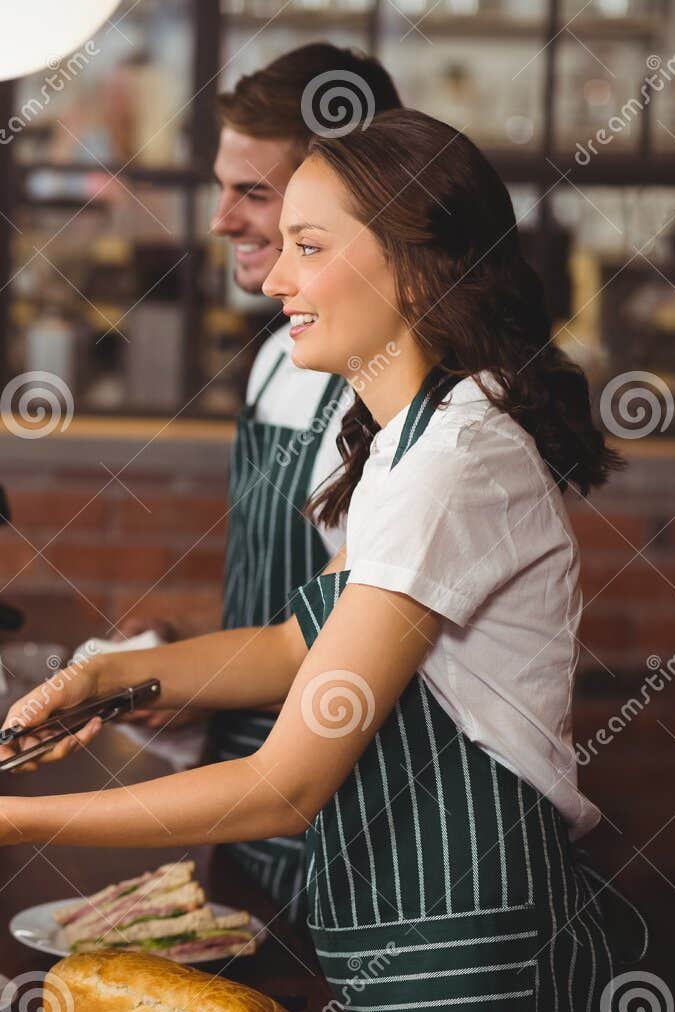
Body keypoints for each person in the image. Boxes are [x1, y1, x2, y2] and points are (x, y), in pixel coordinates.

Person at [0, 110, 643, 1012]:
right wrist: (111, 680)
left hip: (478, 970)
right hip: (408, 942)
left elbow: (284, 784)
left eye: (308, 246)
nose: (278, 278)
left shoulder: (458, 460)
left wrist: (1, 818)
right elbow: (298, 646)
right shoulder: (411, 437)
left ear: (415, 267)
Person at [204, 44, 400, 927]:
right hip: (240, 803)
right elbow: (279, 608)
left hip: (341, 820)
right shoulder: (278, 356)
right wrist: (170, 668)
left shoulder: (390, 396)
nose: (222, 222)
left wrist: (151, 681)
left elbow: (321, 644)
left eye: (255, 194)